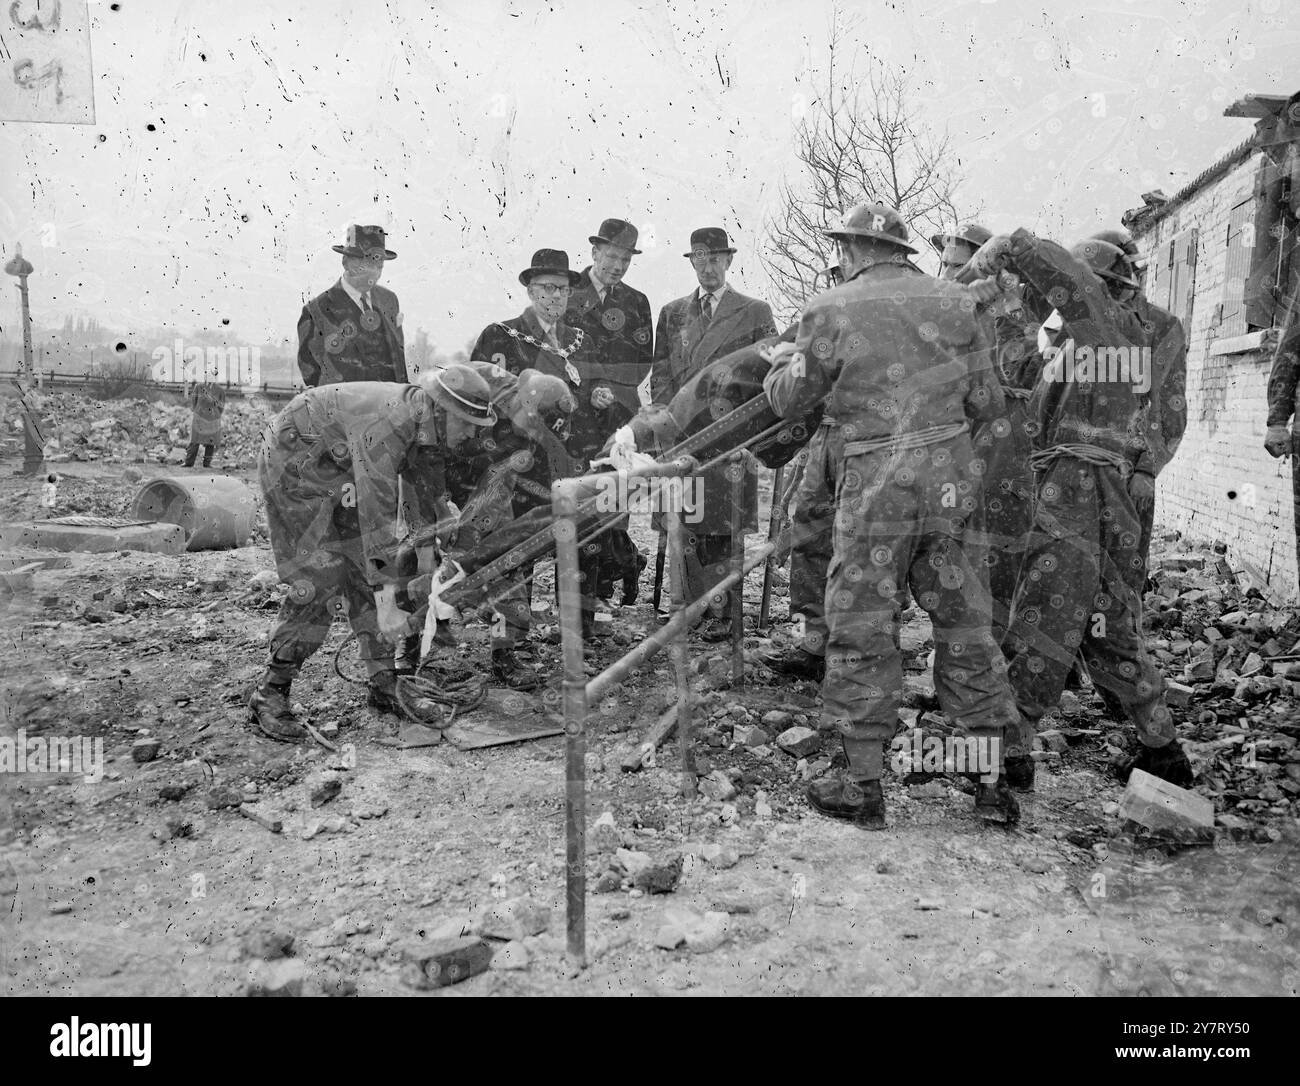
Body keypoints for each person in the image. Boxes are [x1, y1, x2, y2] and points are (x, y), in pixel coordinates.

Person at [765, 202, 1021, 828]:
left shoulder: (828, 309)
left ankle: (864, 788)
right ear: (901, 252)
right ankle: (990, 787)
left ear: (851, 251)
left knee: (861, 620)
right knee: (964, 620)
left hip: (875, 481)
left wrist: (779, 365)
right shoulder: (959, 304)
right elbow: (989, 403)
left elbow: (793, 402)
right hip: (950, 482)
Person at [970, 231, 1195, 790]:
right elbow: (1015, 370)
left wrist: (1017, 245)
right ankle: (1162, 748)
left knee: (1047, 614)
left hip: (1079, 492)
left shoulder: (1111, 332)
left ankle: (1008, 753)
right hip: (1092, 493)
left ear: (1106, 290)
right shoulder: (1085, 344)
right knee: (1106, 626)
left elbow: (1071, 285)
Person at [247, 364, 496, 742]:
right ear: (443, 411)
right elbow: (376, 514)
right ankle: (270, 691)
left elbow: (427, 499)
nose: (471, 435)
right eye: (467, 424)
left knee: (363, 567)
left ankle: (382, 681)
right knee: (322, 573)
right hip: (294, 454)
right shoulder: (391, 423)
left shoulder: (429, 428)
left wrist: (430, 561)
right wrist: (387, 604)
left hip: (338, 461)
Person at [470, 248, 614, 636]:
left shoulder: (584, 341)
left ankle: (578, 635)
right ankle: (510, 646)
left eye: (563, 290)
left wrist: (599, 398)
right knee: (516, 555)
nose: (555, 298)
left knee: (585, 545)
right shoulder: (500, 337)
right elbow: (482, 401)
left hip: (575, 465)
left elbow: (595, 389)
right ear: (531, 291)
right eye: (547, 289)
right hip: (522, 464)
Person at [650, 226, 777, 639]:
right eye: (700, 258)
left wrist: (750, 433)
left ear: (729, 261)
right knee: (684, 522)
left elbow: (768, 376)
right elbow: (663, 378)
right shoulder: (671, 313)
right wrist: (667, 430)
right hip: (684, 435)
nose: (708, 267)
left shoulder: (755, 311)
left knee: (723, 524)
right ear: (692, 262)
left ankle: (722, 614)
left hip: (729, 435)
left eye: (715, 258)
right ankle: (687, 608)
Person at [566, 218, 654, 604]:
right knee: (576, 500)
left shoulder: (636, 303)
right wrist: (588, 390)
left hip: (618, 417)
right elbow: (556, 354)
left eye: (625, 260)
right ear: (595, 252)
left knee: (614, 498)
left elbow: (642, 363)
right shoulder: (566, 294)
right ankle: (589, 586)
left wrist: (611, 392)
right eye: (612, 257)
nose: (617, 267)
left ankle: (602, 588)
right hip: (574, 417)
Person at [297, 225, 407, 387]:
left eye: (378, 266)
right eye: (365, 265)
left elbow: (398, 356)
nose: (373, 273)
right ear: (346, 262)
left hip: (389, 406)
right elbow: (310, 372)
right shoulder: (316, 310)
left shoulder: (389, 300)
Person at [184, 374, 226, 468]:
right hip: (199, 417)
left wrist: (216, 414)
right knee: (195, 440)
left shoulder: (220, 390)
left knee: (210, 442)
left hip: (213, 418)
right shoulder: (198, 387)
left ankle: (207, 464)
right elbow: (193, 401)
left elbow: (221, 405)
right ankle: (188, 462)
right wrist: (197, 411)